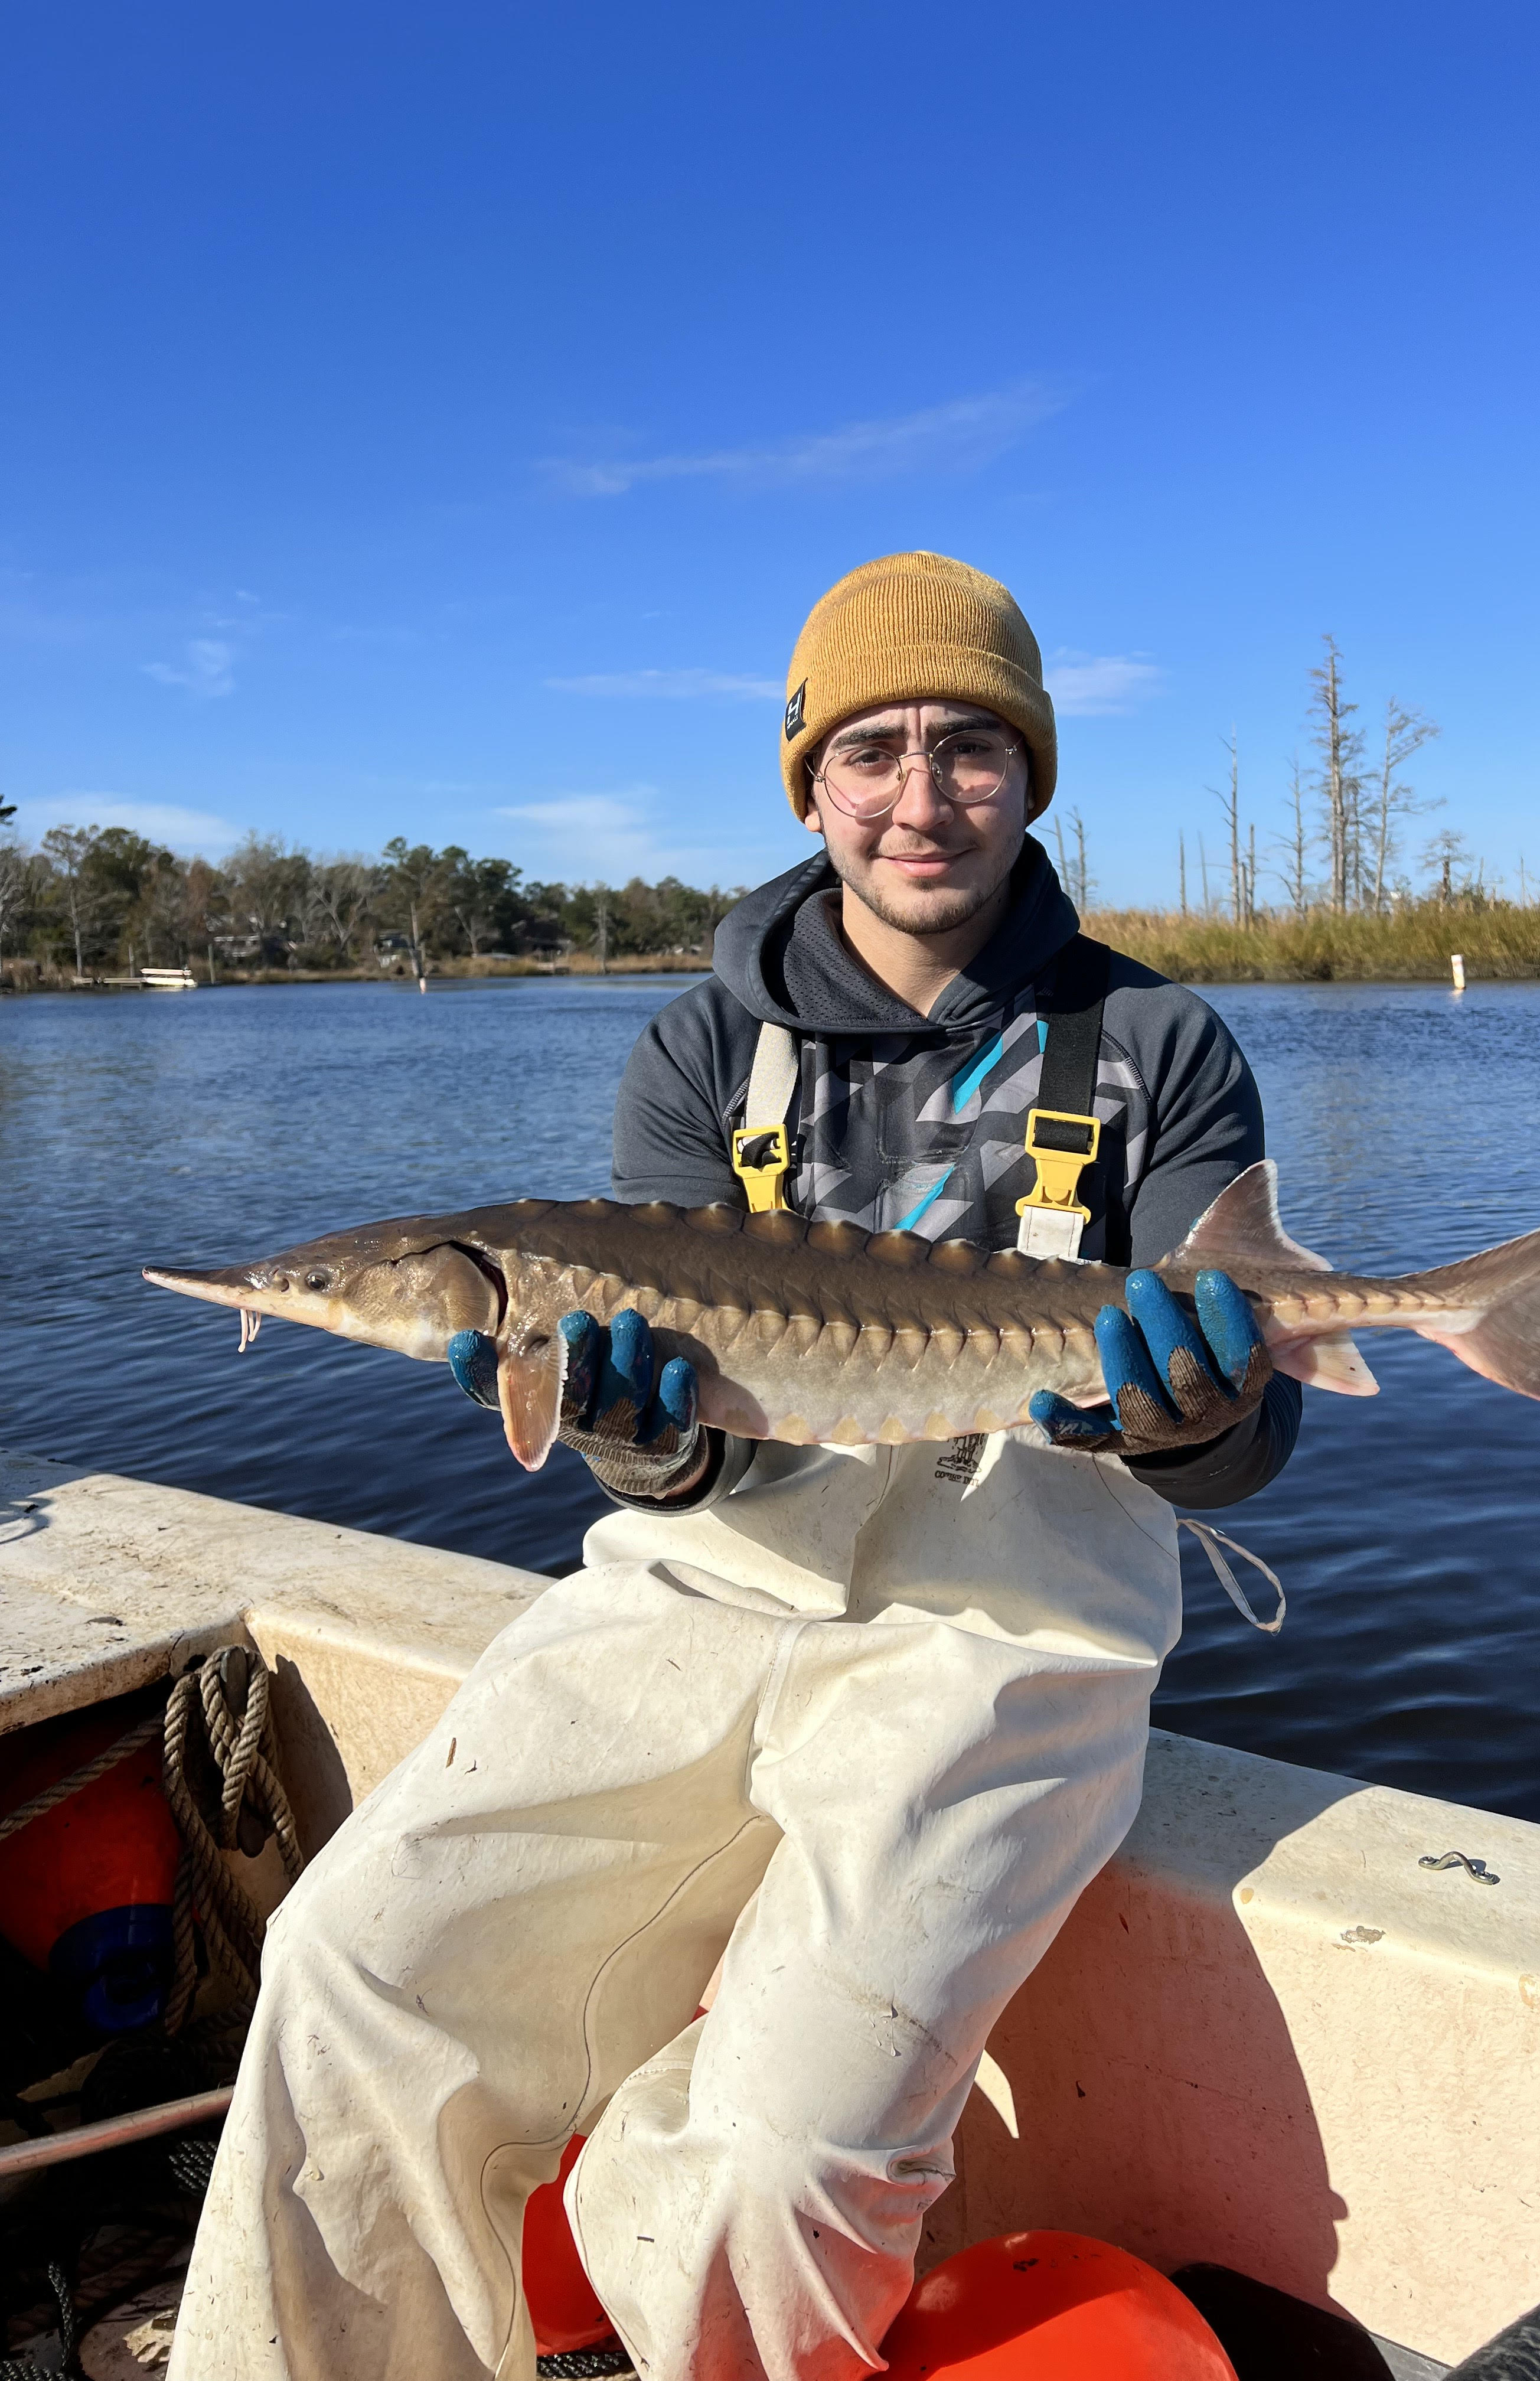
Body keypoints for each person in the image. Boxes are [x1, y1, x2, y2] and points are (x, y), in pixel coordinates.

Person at [170, 553, 1300, 2381]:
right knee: (347, 1971)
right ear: (809, 780)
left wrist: (1194, 1415)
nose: (921, 797)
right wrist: (639, 1442)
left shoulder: (1160, 1044)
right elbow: (682, 1469)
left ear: (1031, 773)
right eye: (872, 750)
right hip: (719, 1583)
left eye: (969, 747)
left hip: (1015, 1623)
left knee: (778, 2167)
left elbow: (1243, 1454)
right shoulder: (705, 1043)